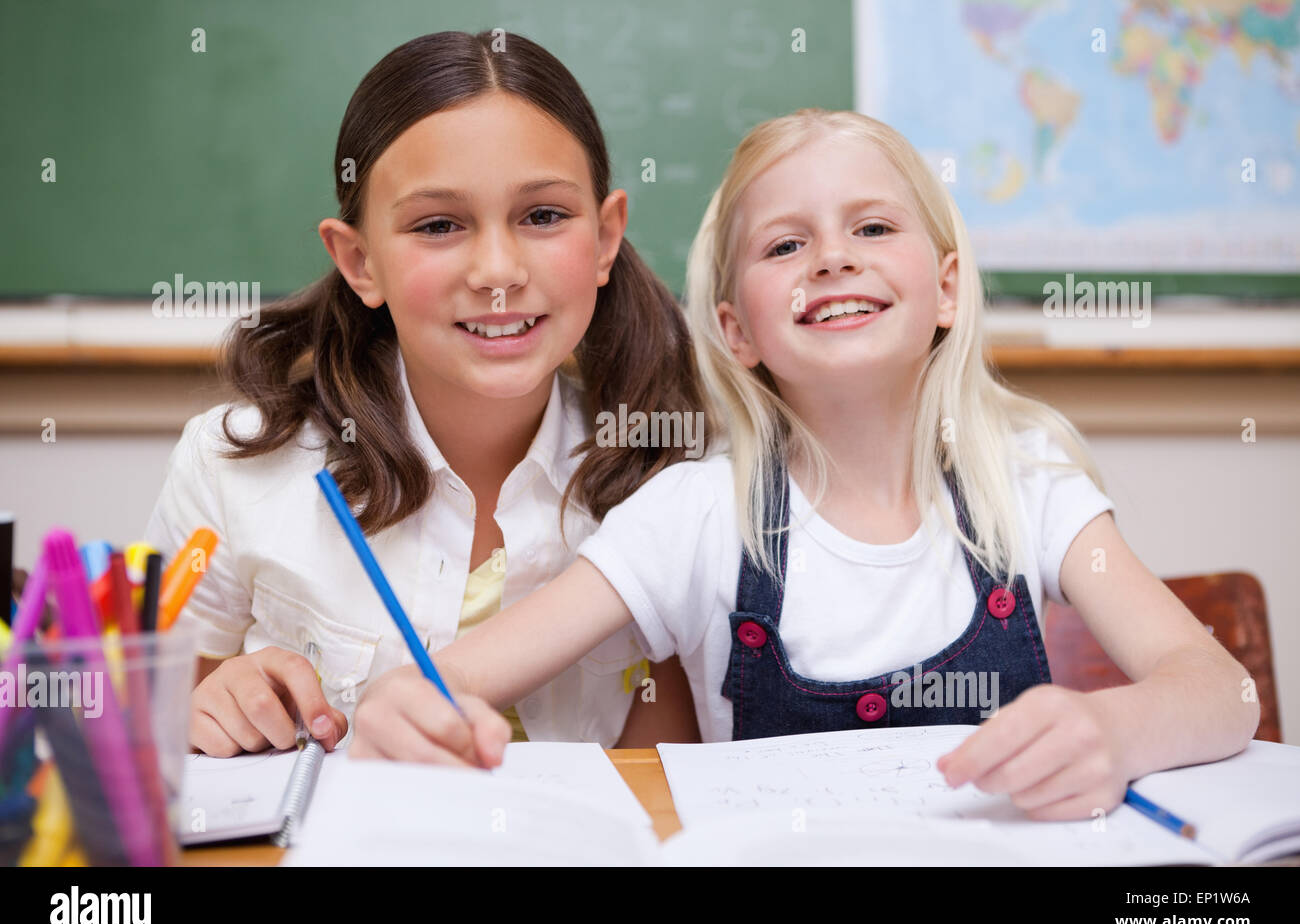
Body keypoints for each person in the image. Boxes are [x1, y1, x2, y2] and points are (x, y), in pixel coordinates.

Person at [356, 108, 1259, 820]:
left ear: (946, 288)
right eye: (785, 245)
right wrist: (407, 706)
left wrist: (1112, 727)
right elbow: (441, 685)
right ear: (737, 330)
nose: (832, 258)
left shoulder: (1029, 490)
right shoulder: (693, 514)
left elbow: (1221, 690)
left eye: (871, 227)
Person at [147, 31, 705, 762]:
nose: (498, 271)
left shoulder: (675, 476)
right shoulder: (233, 466)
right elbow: (151, 734)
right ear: (359, 260)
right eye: (438, 225)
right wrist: (213, 704)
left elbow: (665, 783)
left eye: (542, 216)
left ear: (605, 240)